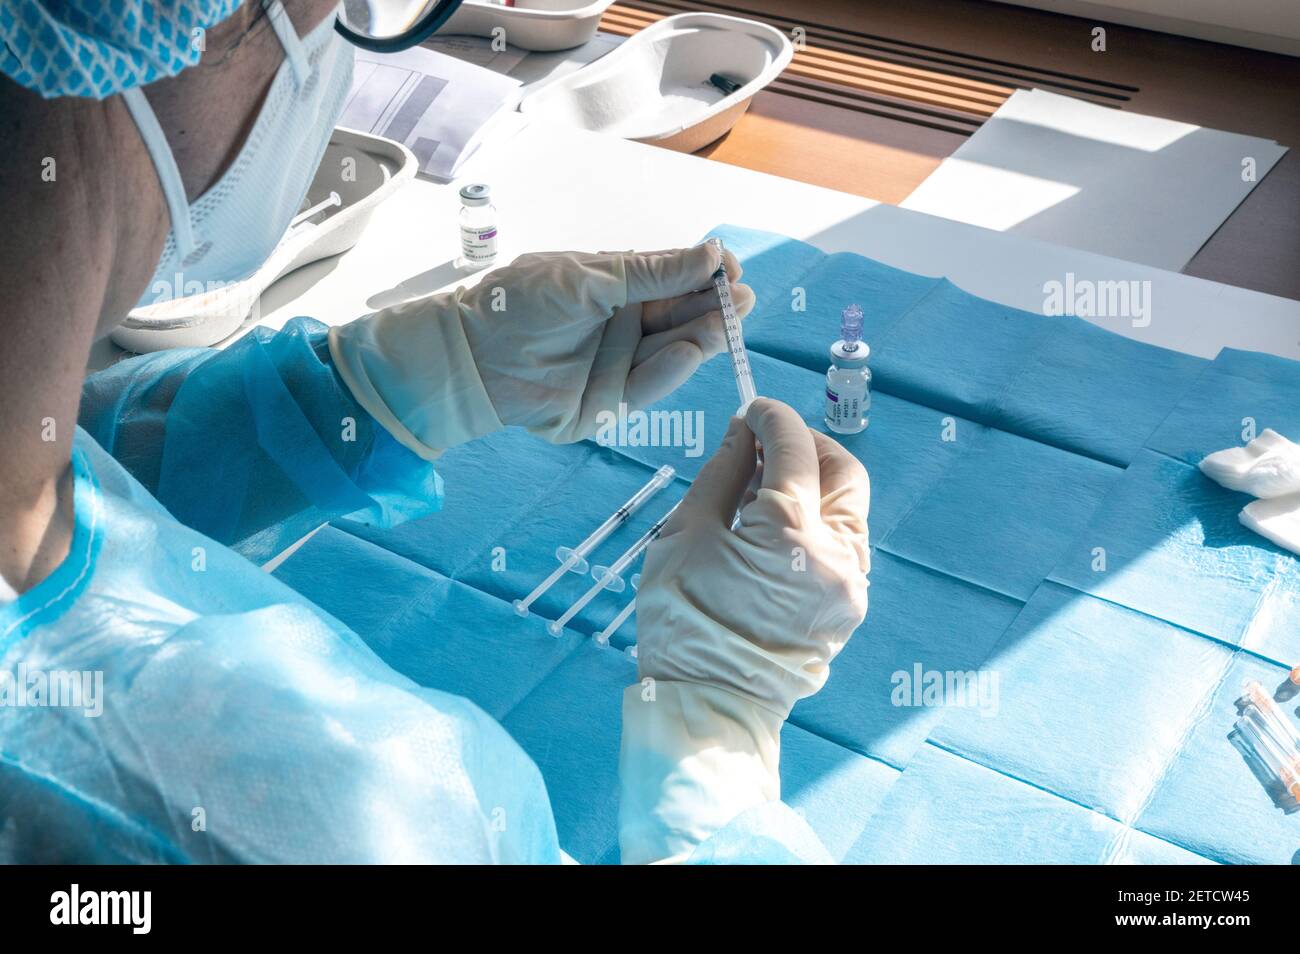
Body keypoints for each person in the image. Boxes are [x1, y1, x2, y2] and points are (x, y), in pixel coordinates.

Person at [0, 0, 870, 863]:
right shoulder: (294, 814)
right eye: (338, 10)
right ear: (177, 29)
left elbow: (82, 476)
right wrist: (720, 724)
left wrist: (401, 382)